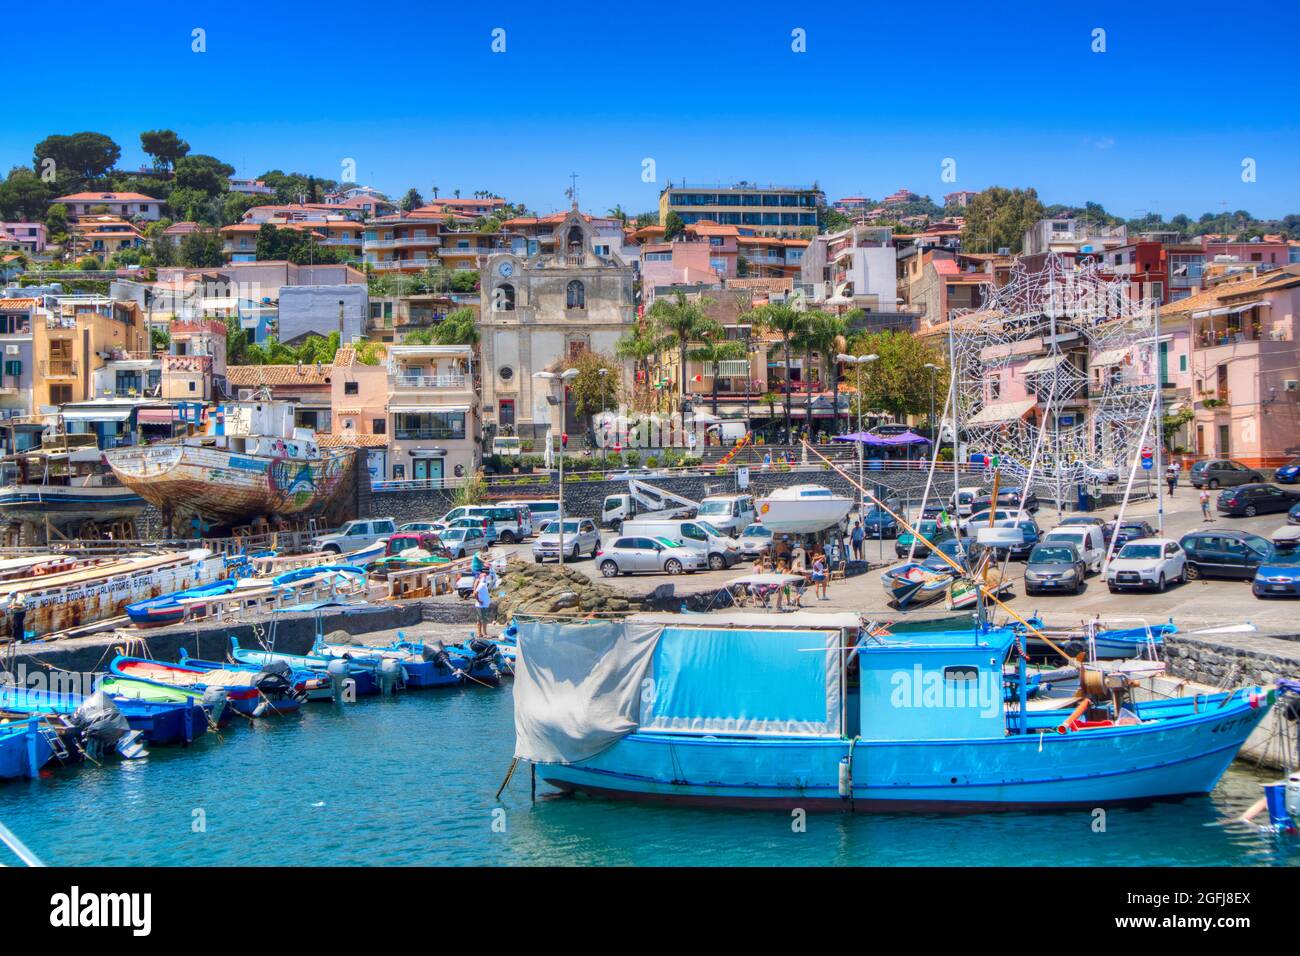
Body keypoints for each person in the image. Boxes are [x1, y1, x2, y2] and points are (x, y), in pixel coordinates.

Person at [473, 572, 492, 638]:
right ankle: (485, 634)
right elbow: (475, 593)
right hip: (481, 606)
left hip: (482, 605)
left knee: (480, 620)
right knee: (484, 620)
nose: (485, 577)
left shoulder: (484, 584)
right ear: (480, 577)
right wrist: (479, 601)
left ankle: (479, 633)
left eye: (485, 576)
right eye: (484, 576)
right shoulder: (482, 584)